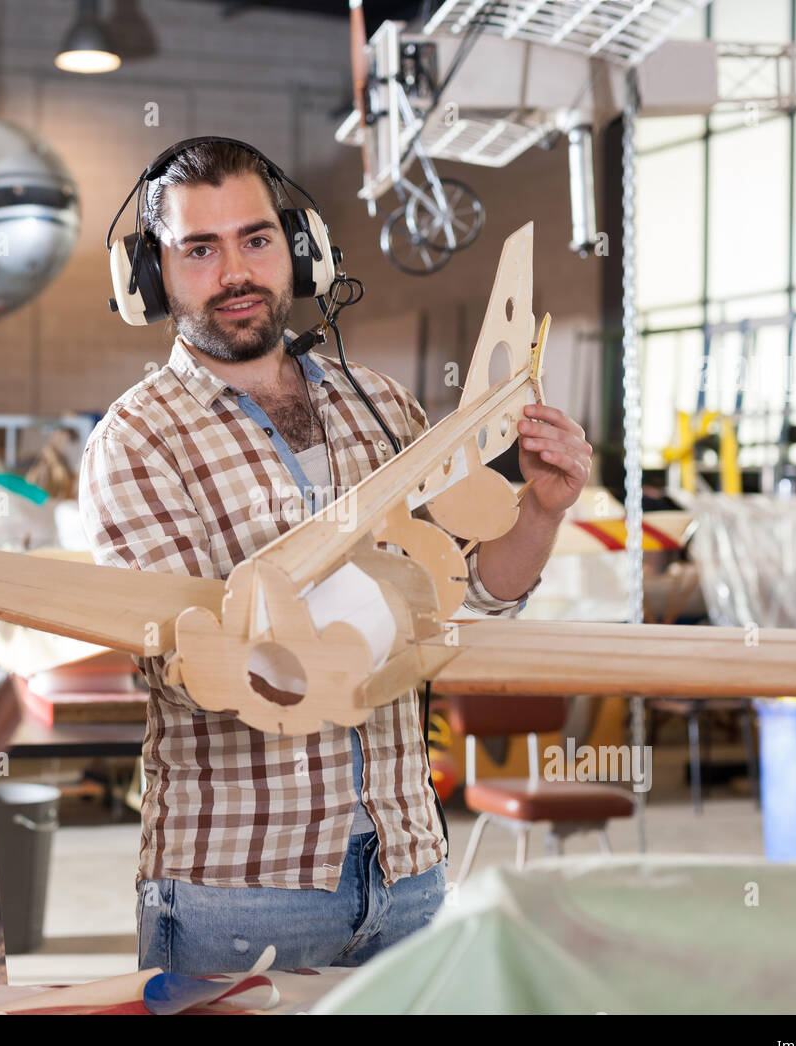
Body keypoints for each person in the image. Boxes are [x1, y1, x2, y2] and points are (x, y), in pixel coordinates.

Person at [80, 138, 592, 974]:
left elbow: (468, 598)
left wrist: (539, 511)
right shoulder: (136, 442)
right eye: (199, 251)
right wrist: (369, 599)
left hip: (408, 870)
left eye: (256, 239)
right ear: (151, 279)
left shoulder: (385, 408)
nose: (235, 272)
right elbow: (197, 668)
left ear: (301, 250)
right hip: (241, 888)